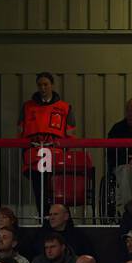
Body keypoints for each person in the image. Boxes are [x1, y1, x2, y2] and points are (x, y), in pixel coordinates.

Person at [18, 72, 76, 220]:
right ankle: (44, 218)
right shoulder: (27, 107)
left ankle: (60, 218)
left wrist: (64, 153)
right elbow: (21, 132)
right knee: (39, 188)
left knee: (57, 189)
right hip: (35, 154)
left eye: (46, 84)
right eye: (40, 85)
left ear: (52, 85)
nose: (43, 88)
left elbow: (70, 134)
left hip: (56, 154)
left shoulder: (65, 107)